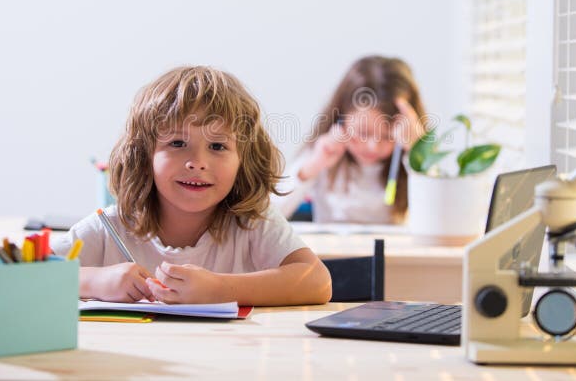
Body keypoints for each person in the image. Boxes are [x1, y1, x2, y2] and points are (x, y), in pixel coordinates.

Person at [54, 66, 332, 306]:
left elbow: (318, 283)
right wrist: (94, 280)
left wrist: (218, 289)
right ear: (144, 155)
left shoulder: (252, 223)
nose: (197, 163)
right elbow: (29, 275)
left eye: (217, 146)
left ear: (243, 161)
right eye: (177, 143)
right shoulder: (111, 227)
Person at [273, 56, 427, 224]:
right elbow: (268, 215)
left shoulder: (411, 163)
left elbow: (437, 215)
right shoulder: (323, 154)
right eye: (363, 132)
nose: (373, 147)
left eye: (388, 136)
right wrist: (313, 166)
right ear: (341, 118)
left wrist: (417, 153)